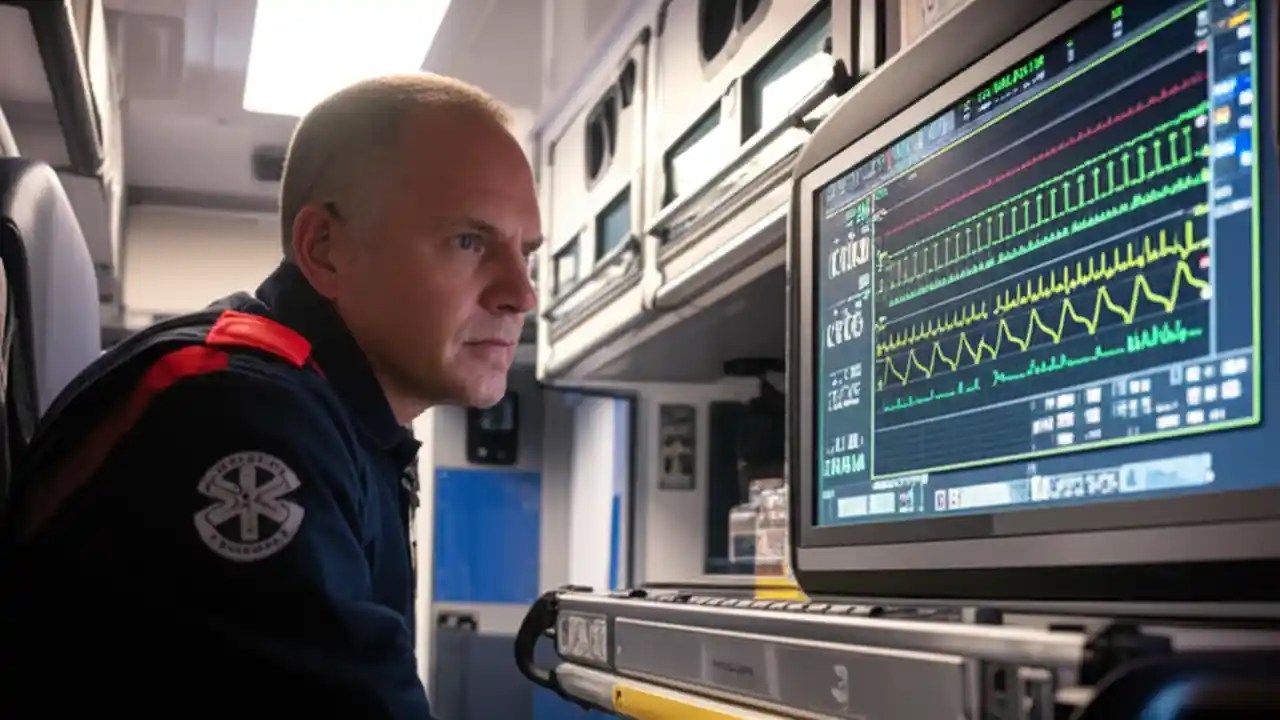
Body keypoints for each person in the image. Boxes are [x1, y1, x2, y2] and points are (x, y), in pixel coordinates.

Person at [0, 73, 539, 717]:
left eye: (526, 253)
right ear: (324, 249)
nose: (521, 294)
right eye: (469, 241)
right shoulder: (240, 413)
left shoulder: (337, 421)